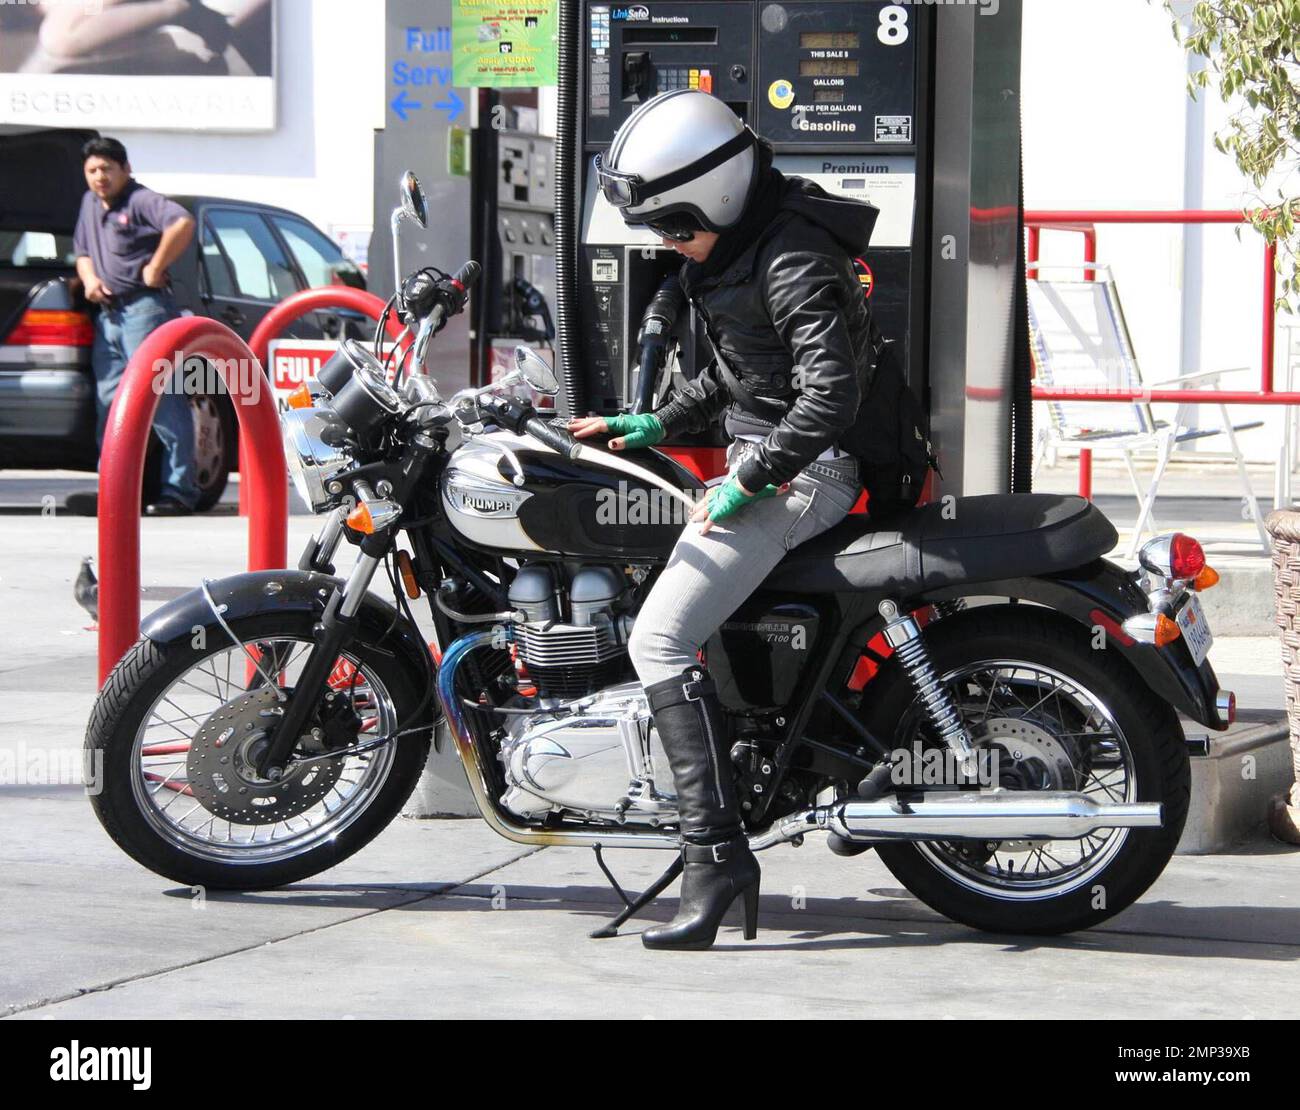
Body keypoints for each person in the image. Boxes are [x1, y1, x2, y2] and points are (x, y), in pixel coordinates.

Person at [570, 89, 881, 951]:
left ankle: (714, 858)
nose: (668, 247)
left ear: (714, 201)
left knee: (656, 641)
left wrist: (748, 477)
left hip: (804, 471)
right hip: (774, 458)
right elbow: (750, 375)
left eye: (674, 229)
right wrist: (656, 422)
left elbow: (827, 398)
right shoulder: (748, 249)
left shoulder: (793, 259)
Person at [74, 136, 199, 516]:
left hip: (145, 310)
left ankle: (179, 491)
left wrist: (156, 266)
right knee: (111, 405)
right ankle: (115, 491)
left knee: (161, 401)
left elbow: (182, 222)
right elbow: (81, 252)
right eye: (93, 170)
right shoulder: (89, 204)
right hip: (108, 315)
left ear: (125, 169)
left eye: (107, 169)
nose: (100, 177)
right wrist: (91, 280)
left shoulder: (140, 199)